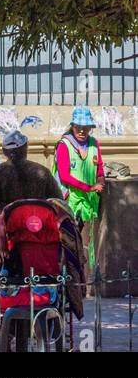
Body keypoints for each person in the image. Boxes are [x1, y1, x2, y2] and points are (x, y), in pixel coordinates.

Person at [0, 129, 62, 253]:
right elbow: (57, 202)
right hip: (35, 233)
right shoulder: (42, 172)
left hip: (0, 238)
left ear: (4, 151)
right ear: (25, 148)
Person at [55, 106, 105, 270]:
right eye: (78, 127)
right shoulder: (64, 145)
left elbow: (100, 169)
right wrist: (89, 187)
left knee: (83, 241)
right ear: (73, 126)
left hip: (88, 202)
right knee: (67, 241)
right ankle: (67, 274)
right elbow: (65, 176)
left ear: (91, 128)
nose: (82, 131)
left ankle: (80, 275)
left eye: (86, 128)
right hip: (69, 200)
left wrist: (101, 181)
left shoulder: (94, 144)